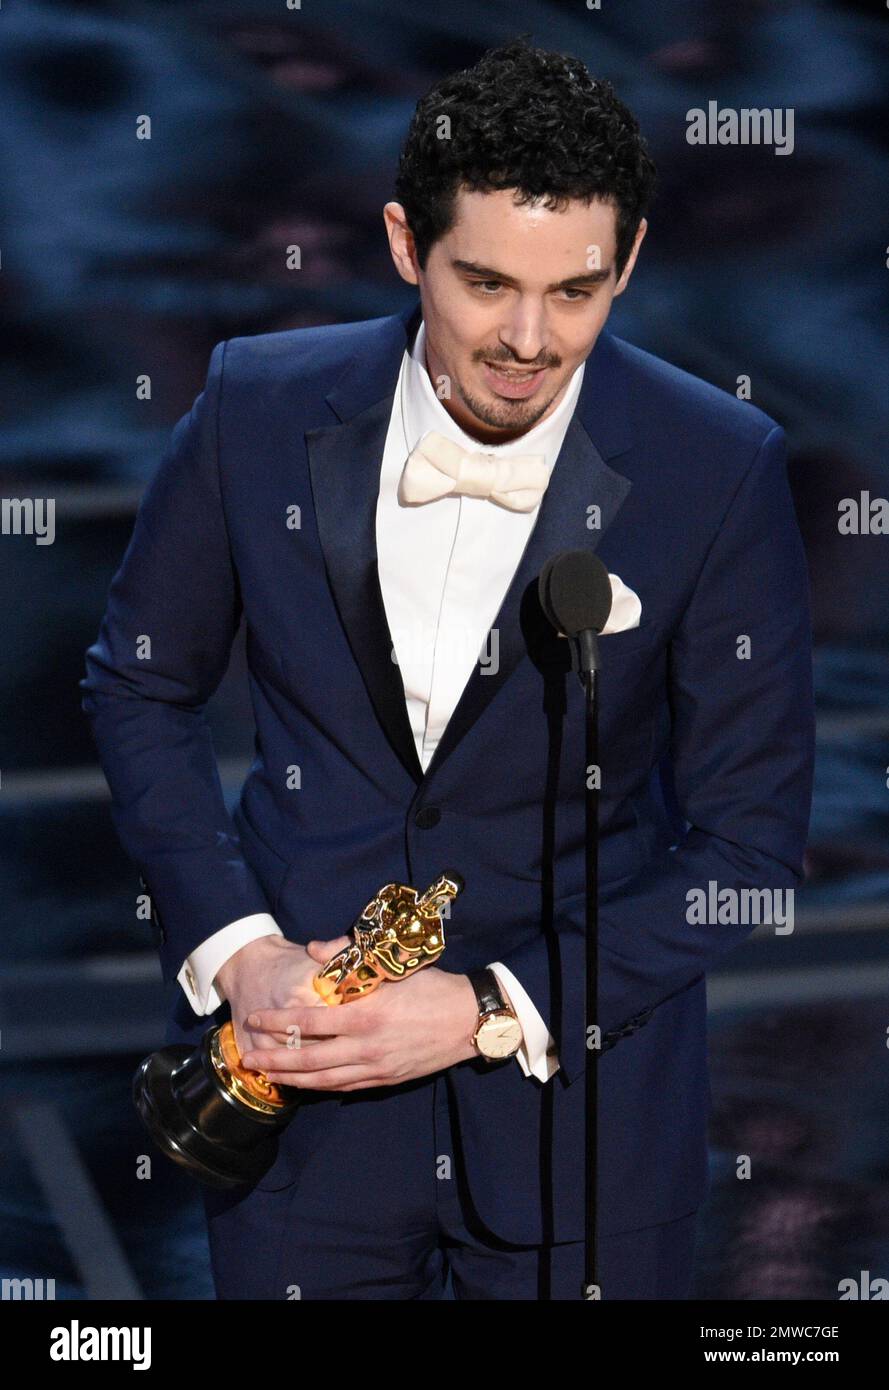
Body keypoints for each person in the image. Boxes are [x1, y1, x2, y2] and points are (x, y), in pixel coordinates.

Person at [81, 38, 815, 1300]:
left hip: (586, 1129)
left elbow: (748, 852)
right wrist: (238, 947)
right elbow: (139, 683)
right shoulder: (256, 407)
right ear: (405, 244)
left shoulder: (719, 462)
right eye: (485, 284)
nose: (530, 340)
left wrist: (489, 1003)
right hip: (294, 1108)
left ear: (629, 260)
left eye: (578, 291)